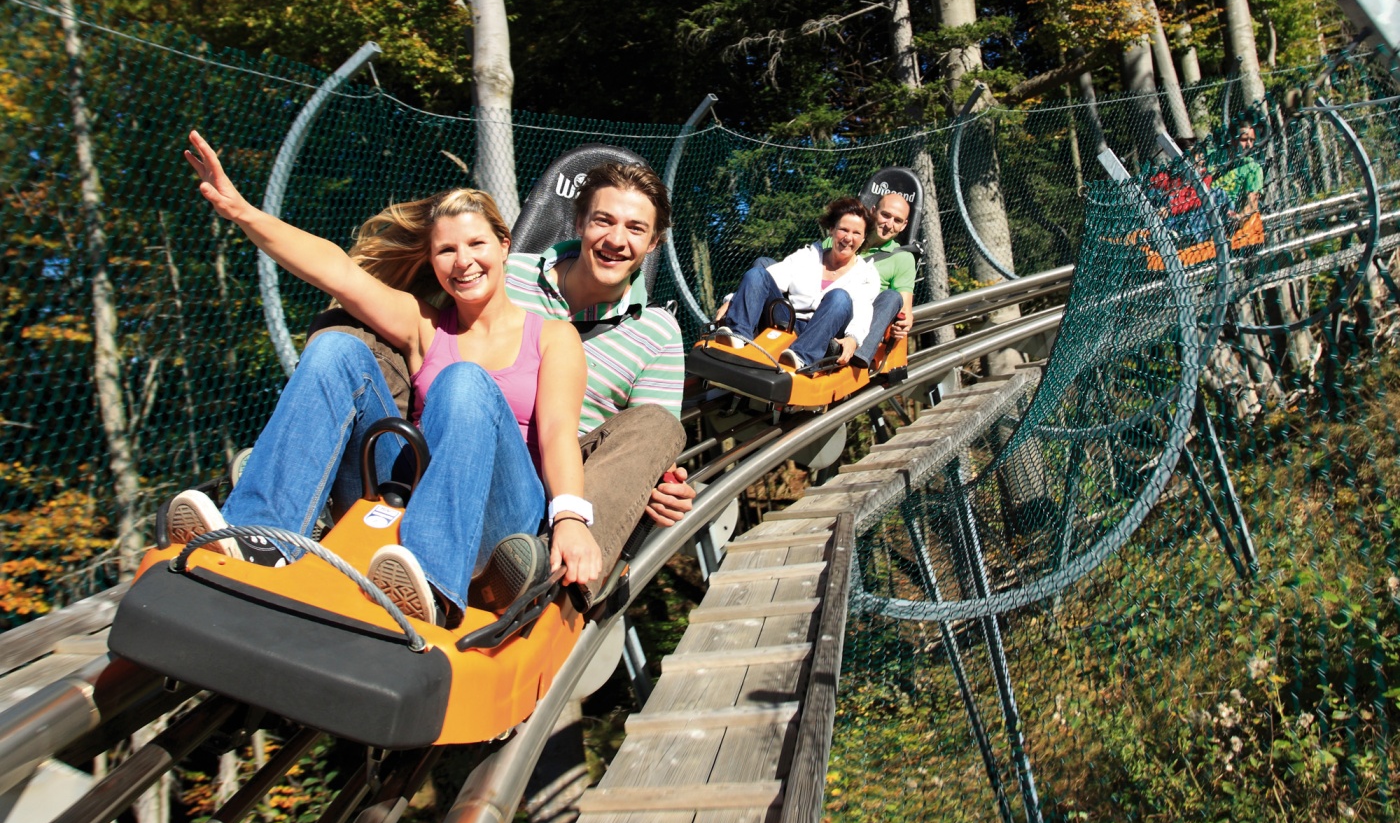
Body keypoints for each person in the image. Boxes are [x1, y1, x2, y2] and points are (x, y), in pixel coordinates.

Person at [164, 130, 602, 628]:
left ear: (504, 246)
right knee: (336, 347)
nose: (463, 262)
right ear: (432, 261)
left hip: (496, 519)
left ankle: (432, 589)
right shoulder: (425, 326)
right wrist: (243, 212)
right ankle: (260, 535)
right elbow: (337, 272)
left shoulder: (551, 336)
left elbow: (558, 435)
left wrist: (570, 518)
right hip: (404, 506)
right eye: (446, 251)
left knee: (463, 381)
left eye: (476, 243)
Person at [503, 162, 692, 601]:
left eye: (635, 228)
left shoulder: (658, 333)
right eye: (603, 220)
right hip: (493, 440)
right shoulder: (510, 276)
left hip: (572, 480)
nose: (616, 240)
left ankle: (561, 588)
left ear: (653, 243)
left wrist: (668, 486)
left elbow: (647, 444)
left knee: (659, 427)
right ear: (579, 223)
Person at [715, 196, 882, 370]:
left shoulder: (866, 274)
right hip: (788, 321)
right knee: (757, 273)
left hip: (824, 331)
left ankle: (800, 358)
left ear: (863, 239)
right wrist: (732, 300)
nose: (848, 238)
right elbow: (770, 278)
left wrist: (853, 338)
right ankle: (738, 336)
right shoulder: (808, 256)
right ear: (832, 230)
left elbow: (863, 309)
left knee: (839, 297)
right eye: (844, 230)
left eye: (856, 233)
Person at [851, 192, 918, 369]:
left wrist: (904, 323)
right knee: (767, 265)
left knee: (891, 296)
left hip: (864, 321)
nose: (889, 225)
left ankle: (858, 355)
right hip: (829, 308)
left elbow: (904, 307)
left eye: (897, 220)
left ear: (904, 226)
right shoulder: (846, 238)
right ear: (873, 211)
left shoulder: (902, 258)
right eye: (885, 215)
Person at [1215, 124, 1263, 220]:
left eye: (1252, 140)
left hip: (1227, 214)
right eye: (1244, 140)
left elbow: (1252, 204)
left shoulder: (1252, 167)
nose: (1249, 144)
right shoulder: (1215, 159)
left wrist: (1239, 216)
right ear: (1232, 140)